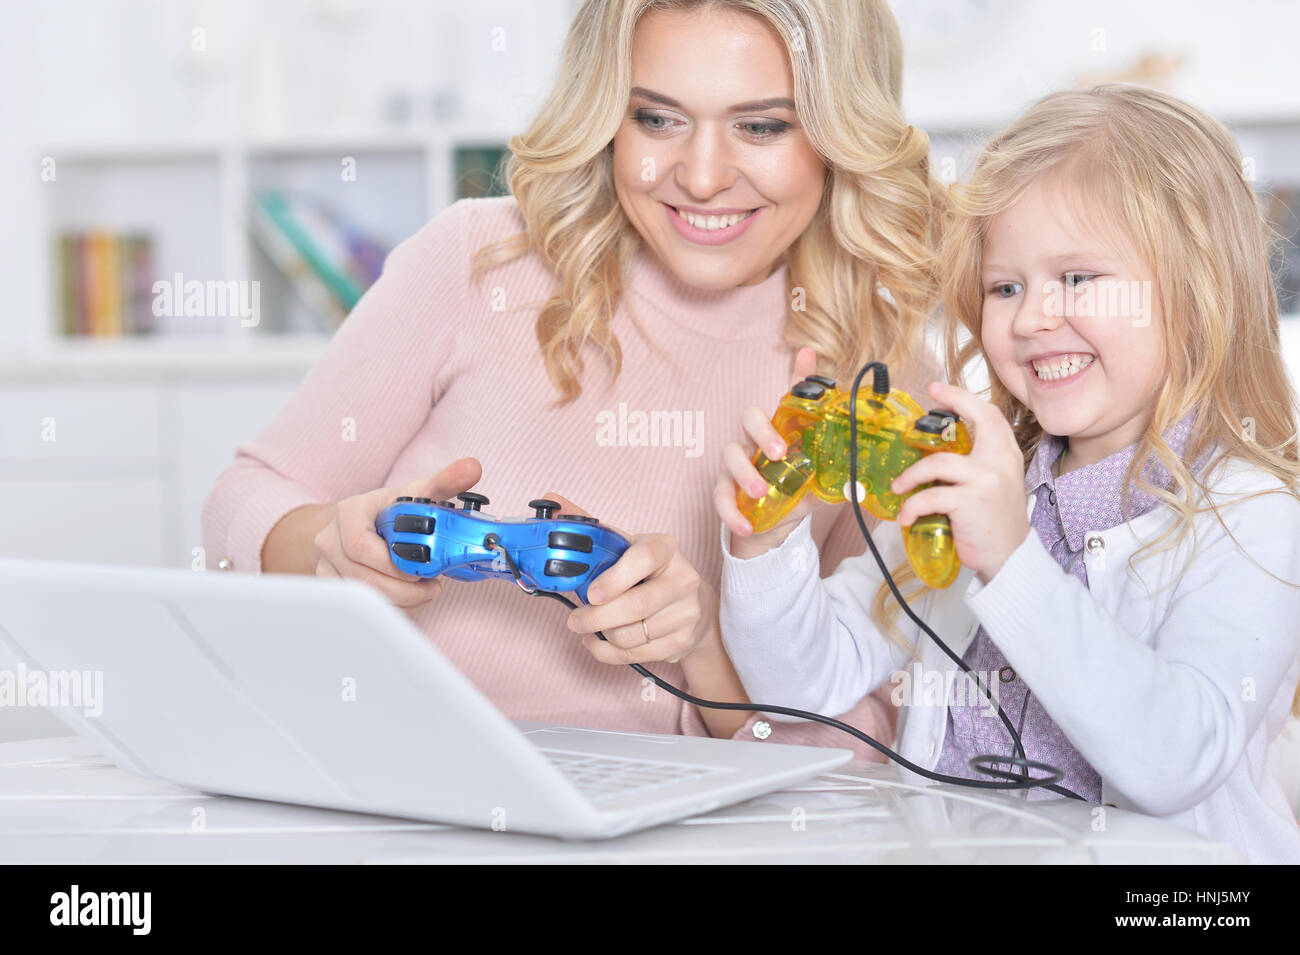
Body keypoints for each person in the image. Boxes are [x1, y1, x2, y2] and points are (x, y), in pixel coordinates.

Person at [201, 0, 946, 754]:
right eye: (657, 119)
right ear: (606, 117)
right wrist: (330, 542)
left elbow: (854, 752)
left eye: (762, 126)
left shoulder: (877, 377)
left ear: (839, 134)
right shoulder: (476, 259)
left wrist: (703, 647)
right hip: (373, 768)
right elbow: (243, 497)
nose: (703, 176)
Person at [715, 84, 1300, 863]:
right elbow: (806, 681)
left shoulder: (1251, 516)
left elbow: (1177, 758)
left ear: (1197, 295)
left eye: (1079, 278)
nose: (1030, 318)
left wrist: (1014, 559)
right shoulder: (972, 481)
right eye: (1006, 286)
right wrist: (769, 547)